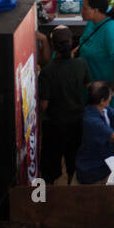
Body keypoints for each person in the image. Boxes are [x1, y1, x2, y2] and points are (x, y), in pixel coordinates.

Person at [38, 26, 90, 185]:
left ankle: (44, 198)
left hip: (54, 125)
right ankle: (70, 186)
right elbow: (87, 85)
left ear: (53, 46)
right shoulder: (81, 64)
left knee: (50, 166)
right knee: (73, 159)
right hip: (76, 122)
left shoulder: (47, 72)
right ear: (72, 42)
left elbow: (44, 105)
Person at [76, 0, 114, 109]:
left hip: (106, 99)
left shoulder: (112, 30)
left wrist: (113, 93)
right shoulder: (91, 23)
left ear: (95, 11)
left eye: (85, 8)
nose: (81, 11)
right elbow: (86, 43)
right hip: (91, 92)